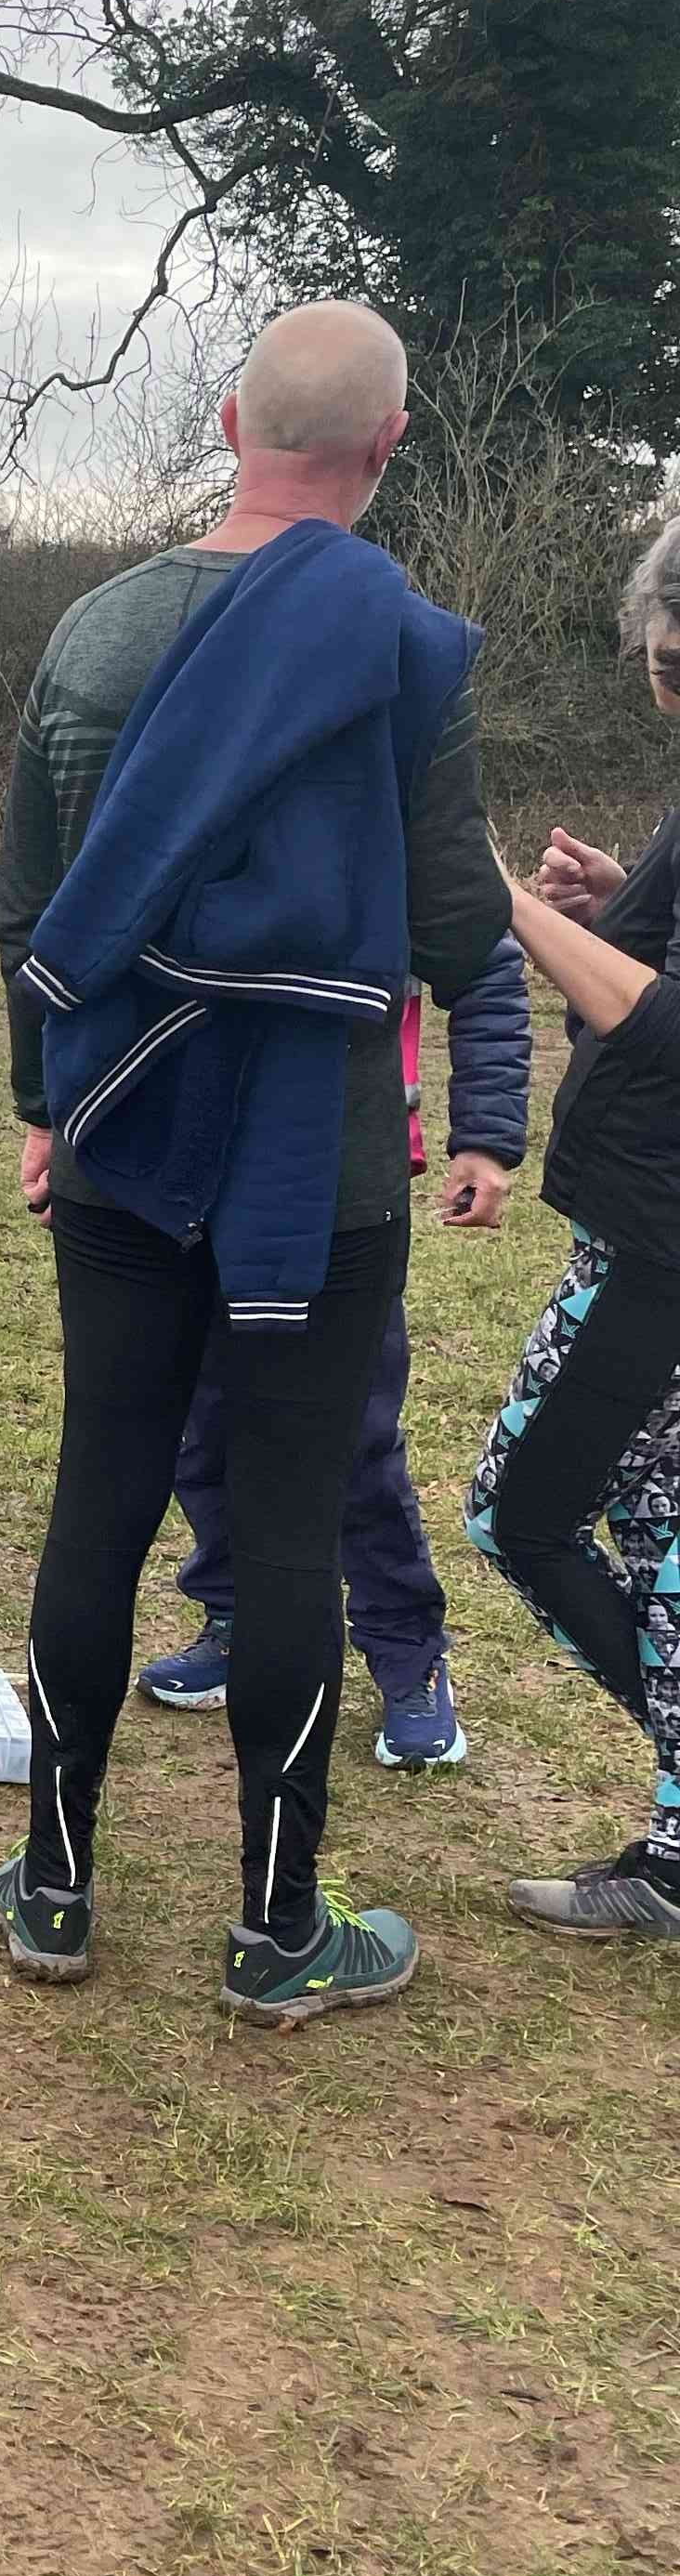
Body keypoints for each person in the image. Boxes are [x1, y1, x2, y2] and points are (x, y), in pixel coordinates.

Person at [0, 299, 508, 2025]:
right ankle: (275, 1930)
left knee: (100, 1487)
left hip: (122, 1130)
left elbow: (26, 909)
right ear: (386, 445)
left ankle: (53, 1887)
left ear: (224, 421)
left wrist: (33, 1109)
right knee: (286, 1522)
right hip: (323, 1158)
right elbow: (446, 927)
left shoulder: (89, 631)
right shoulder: (401, 650)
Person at [138, 951, 530, 1761]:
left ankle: (407, 1656)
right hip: (186, 1171)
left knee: (353, 1436)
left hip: (345, 1189)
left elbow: (485, 965)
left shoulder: (395, 823)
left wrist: (486, 1137)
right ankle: (235, 1612)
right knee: (201, 1421)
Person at [464, 515, 680, 1944]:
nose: (662, 685)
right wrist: (616, 904)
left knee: (521, 1510)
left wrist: (501, 907)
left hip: (662, 1241)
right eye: (659, 662)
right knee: (658, 1525)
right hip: (655, 1220)